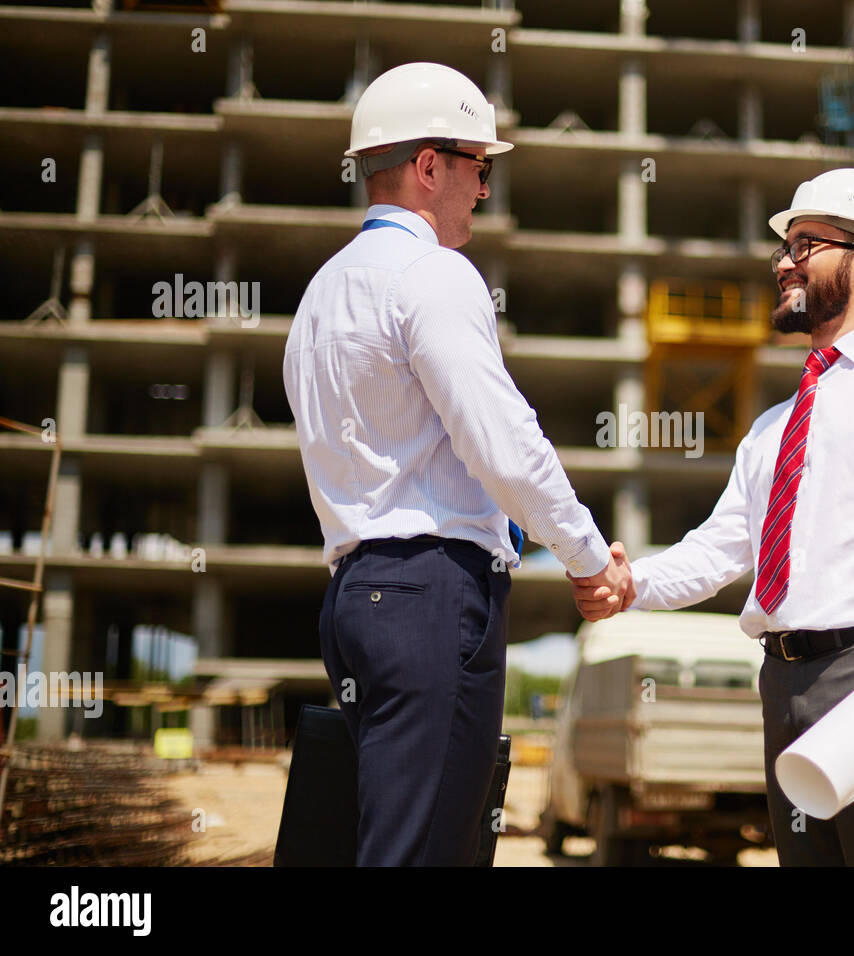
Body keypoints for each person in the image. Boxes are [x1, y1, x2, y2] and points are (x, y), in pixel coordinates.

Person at [570, 168, 854, 866]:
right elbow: (721, 549)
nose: (784, 260)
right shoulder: (771, 428)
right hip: (781, 681)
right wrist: (631, 585)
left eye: (806, 243)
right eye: (784, 246)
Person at [283, 62, 633, 866]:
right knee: (425, 851)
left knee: (377, 840)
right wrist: (586, 558)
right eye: (479, 165)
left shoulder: (320, 295)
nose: (484, 187)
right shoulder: (434, 274)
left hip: (355, 601)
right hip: (431, 599)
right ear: (429, 166)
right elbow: (503, 442)